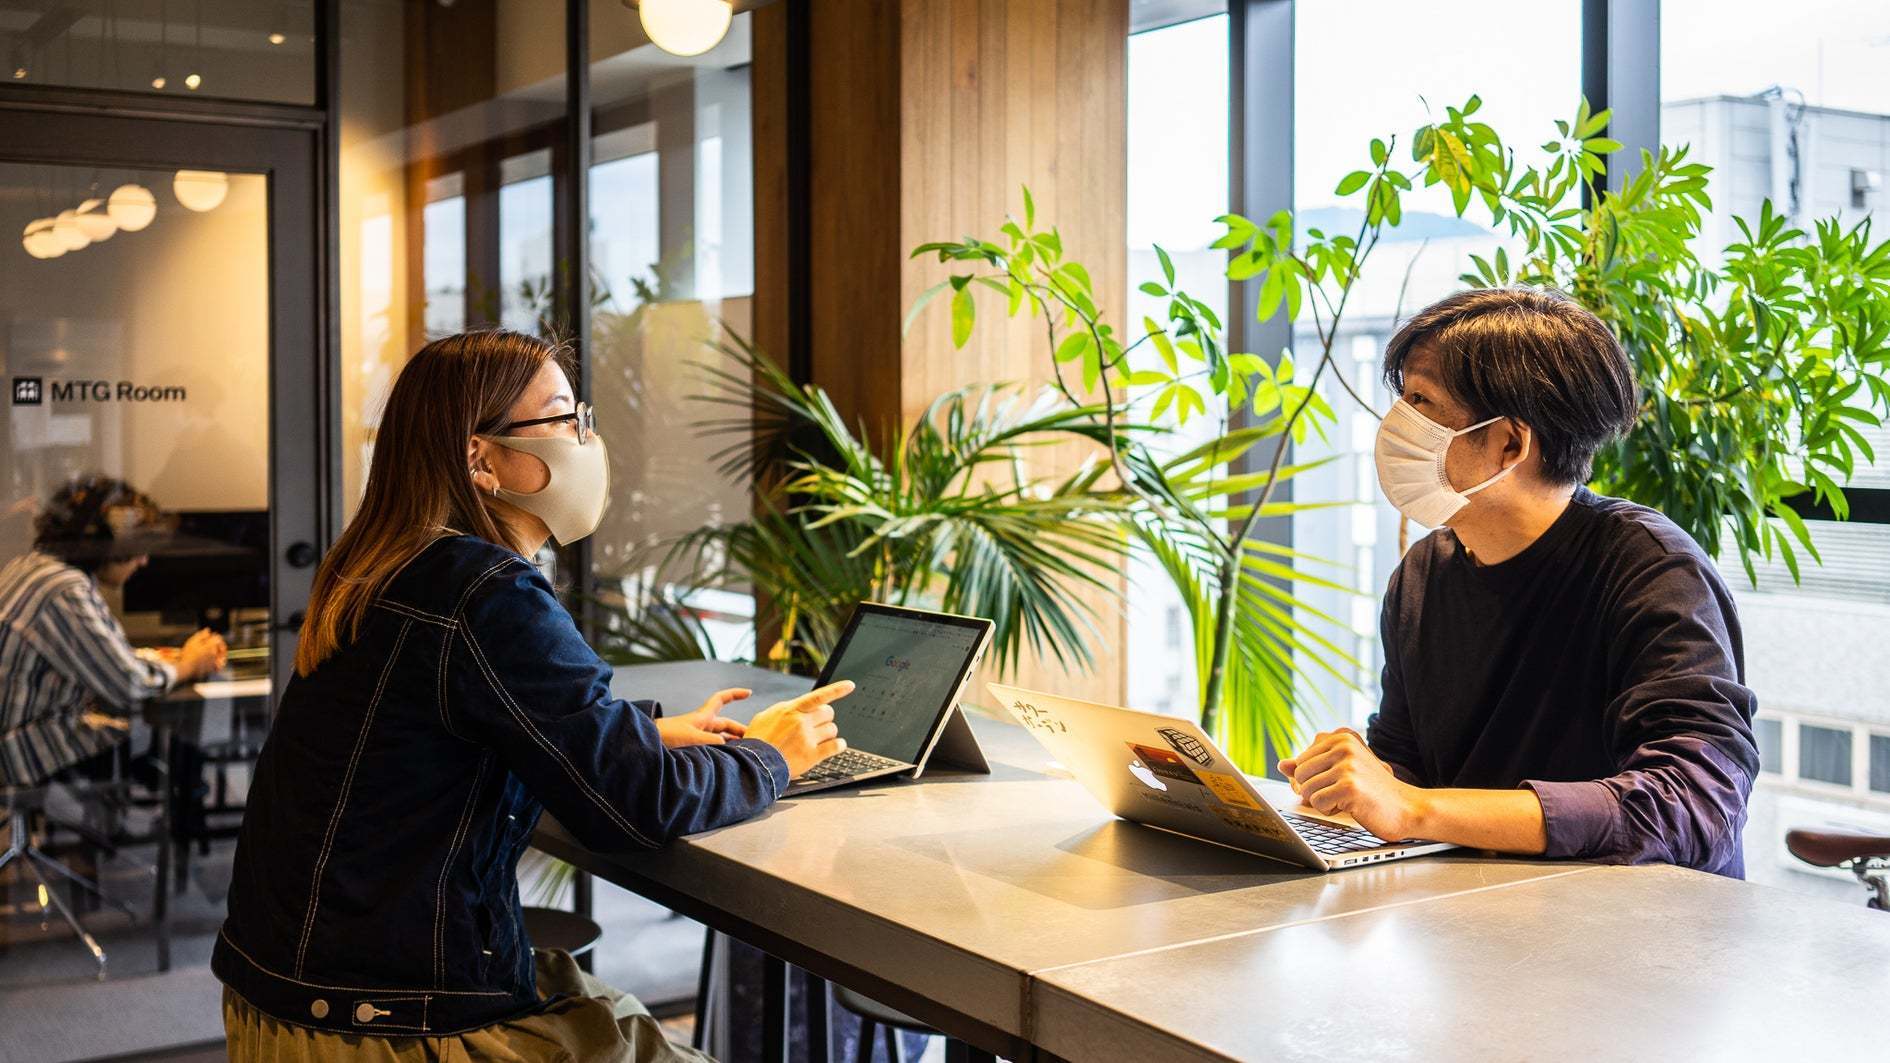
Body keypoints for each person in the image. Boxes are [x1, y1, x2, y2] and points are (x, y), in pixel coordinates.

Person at [214, 330, 850, 1061]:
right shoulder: (486, 590)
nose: (587, 441)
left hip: (292, 995)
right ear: (480, 458)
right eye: (564, 419)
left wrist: (636, 729)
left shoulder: (387, 565)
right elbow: (633, 803)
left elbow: (448, 723)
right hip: (385, 1025)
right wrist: (775, 755)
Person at [1278, 287, 1760, 878]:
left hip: (1636, 939)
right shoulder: (1423, 573)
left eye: (1420, 402)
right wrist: (1355, 783)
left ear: (1509, 443)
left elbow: (1693, 805)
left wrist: (1416, 808)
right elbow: (1406, 763)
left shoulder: (1652, 569)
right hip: (1476, 924)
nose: (1396, 425)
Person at [0, 476, 226, 786]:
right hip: (22, 750)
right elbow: (128, 683)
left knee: (161, 745)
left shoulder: (35, 566)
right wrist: (190, 664)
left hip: (18, 735)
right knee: (178, 744)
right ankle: (188, 823)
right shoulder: (64, 589)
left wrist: (167, 660)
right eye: (139, 549)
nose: (143, 561)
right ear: (113, 546)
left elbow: (103, 659)